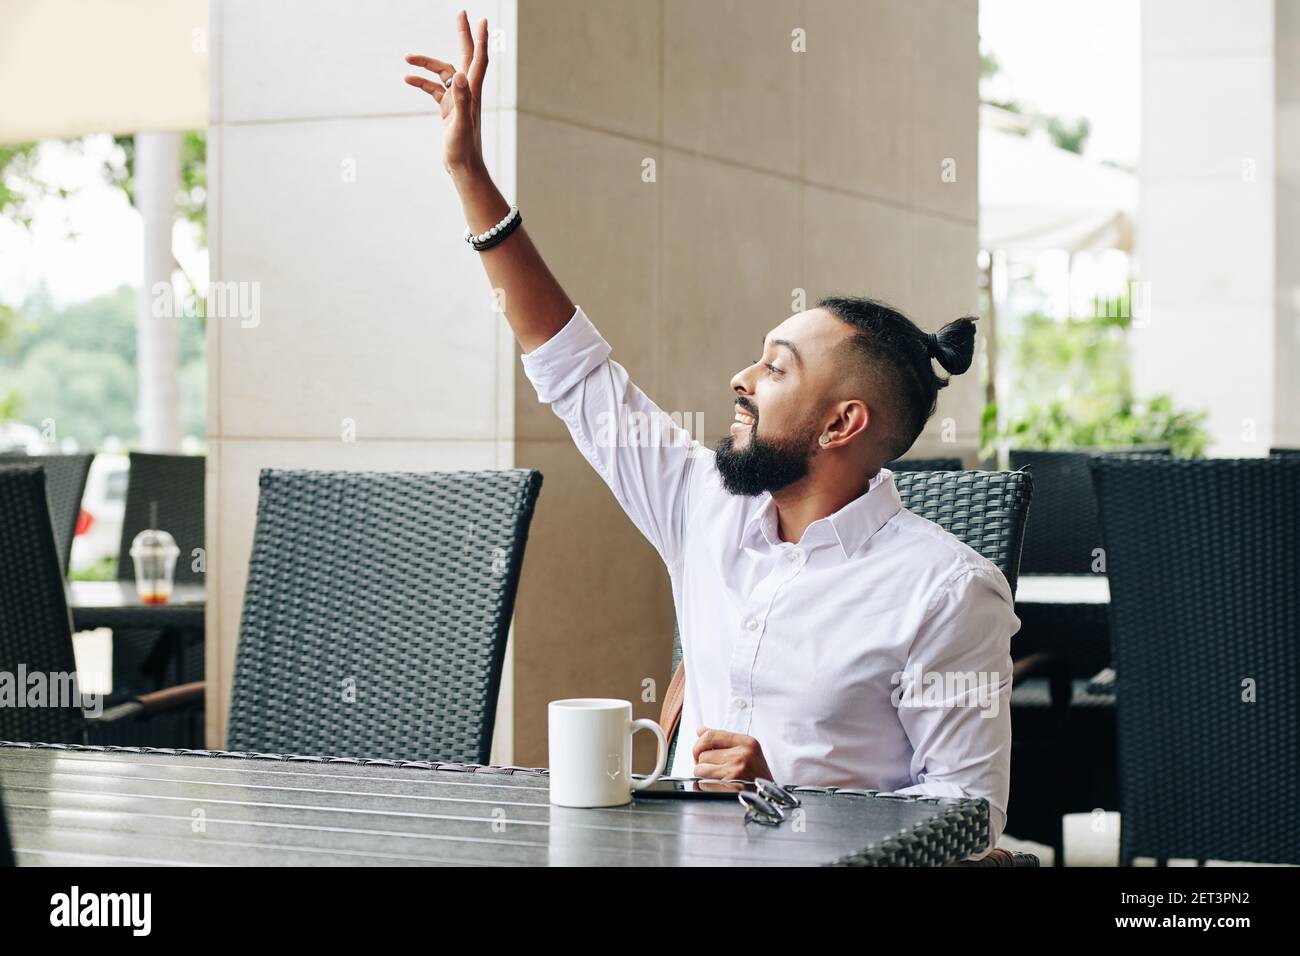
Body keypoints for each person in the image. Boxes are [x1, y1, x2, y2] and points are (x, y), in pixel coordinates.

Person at [404, 11, 1020, 857]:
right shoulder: (704, 506)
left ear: (843, 422)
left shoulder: (948, 592)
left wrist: (793, 794)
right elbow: (577, 372)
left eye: (774, 368)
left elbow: (972, 820)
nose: (741, 378)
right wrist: (470, 175)